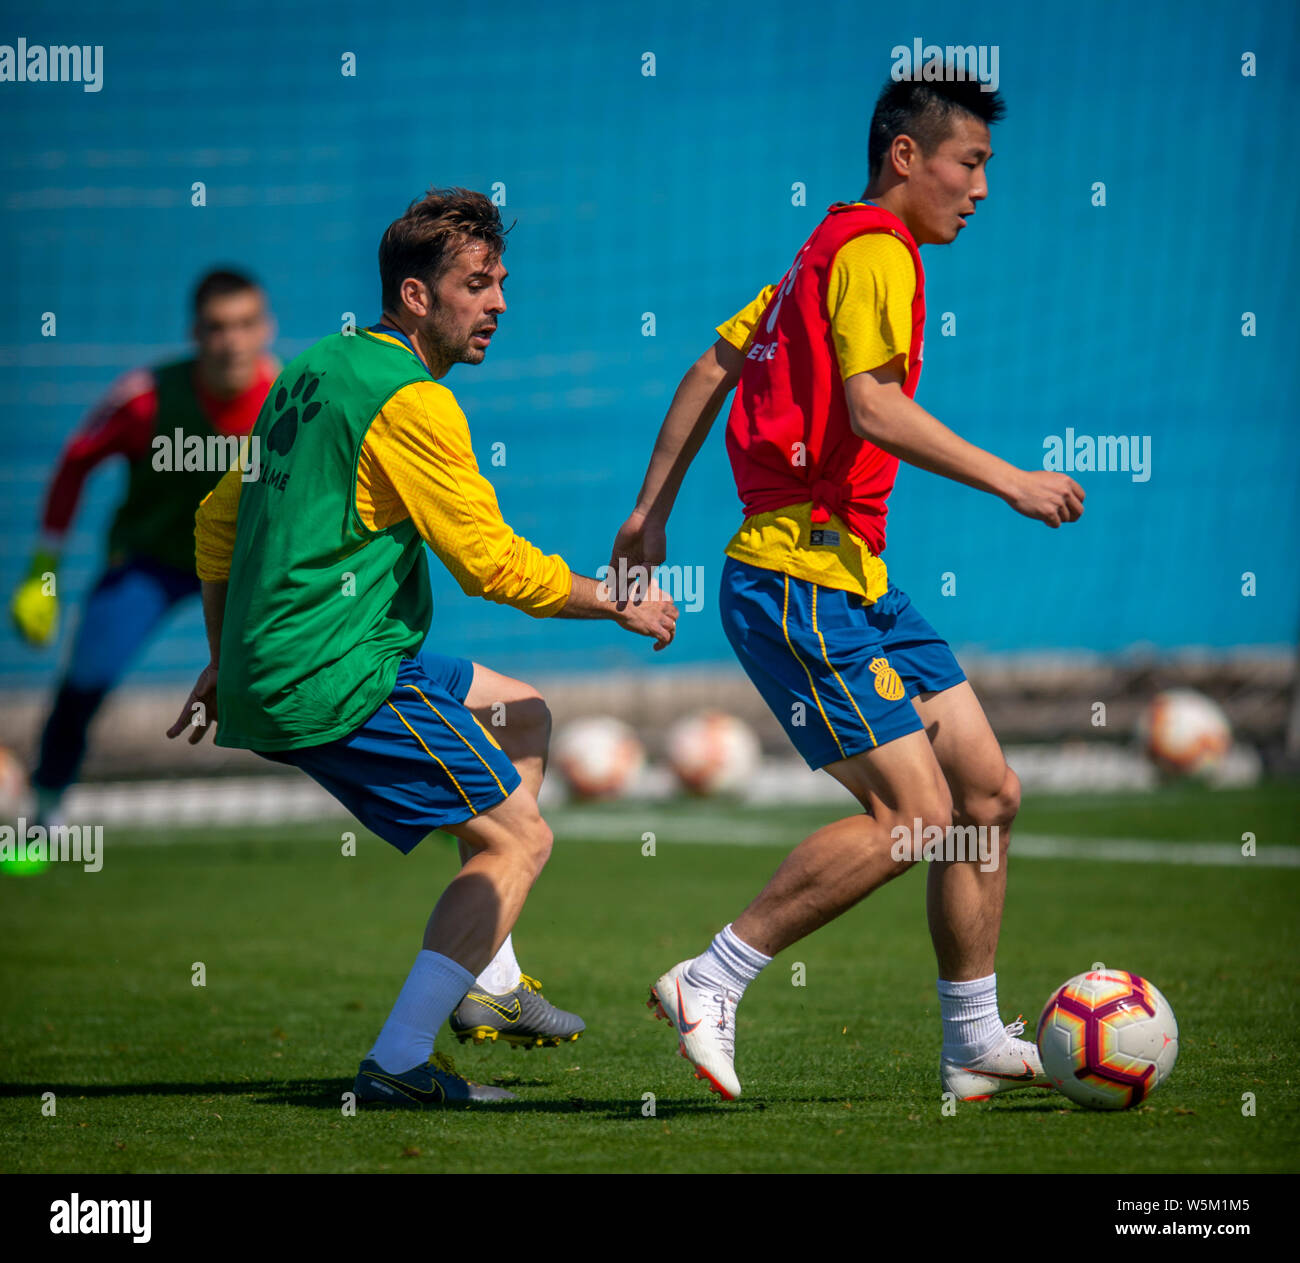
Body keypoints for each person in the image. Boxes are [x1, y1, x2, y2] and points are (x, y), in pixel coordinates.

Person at [611, 73, 1084, 1101]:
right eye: (970, 163)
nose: (982, 188)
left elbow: (709, 367)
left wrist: (648, 515)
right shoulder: (874, 251)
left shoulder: (813, 256)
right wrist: (1009, 478)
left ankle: (969, 1041)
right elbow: (871, 409)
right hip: (796, 579)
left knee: (985, 795)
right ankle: (712, 976)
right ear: (905, 158)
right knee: (915, 819)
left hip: (852, 578)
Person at [171, 187, 678, 1106]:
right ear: (415, 296)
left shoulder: (315, 369)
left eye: (501, 282)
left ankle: (489, 979)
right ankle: (399, 1062)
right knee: (521, 840)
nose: (500, 304)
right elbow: (488, 564)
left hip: (307, 657)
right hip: (337, 673)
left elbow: (216, 518)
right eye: (478, 285)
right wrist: (617, 602)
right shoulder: (413, 403)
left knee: (523, 712)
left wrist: (226, 654)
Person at [10, 270, 278, 830]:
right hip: (149, 564)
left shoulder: (286, 404)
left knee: (304, 674)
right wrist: (42, 570)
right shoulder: (144, 401)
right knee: (86, 678)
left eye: (245, 324)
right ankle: (44, 808)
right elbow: (75, 462)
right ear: (196, 334)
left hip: (241, 570)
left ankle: (365, 799)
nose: (231, 340)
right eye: (217, 327)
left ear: (267, 330)